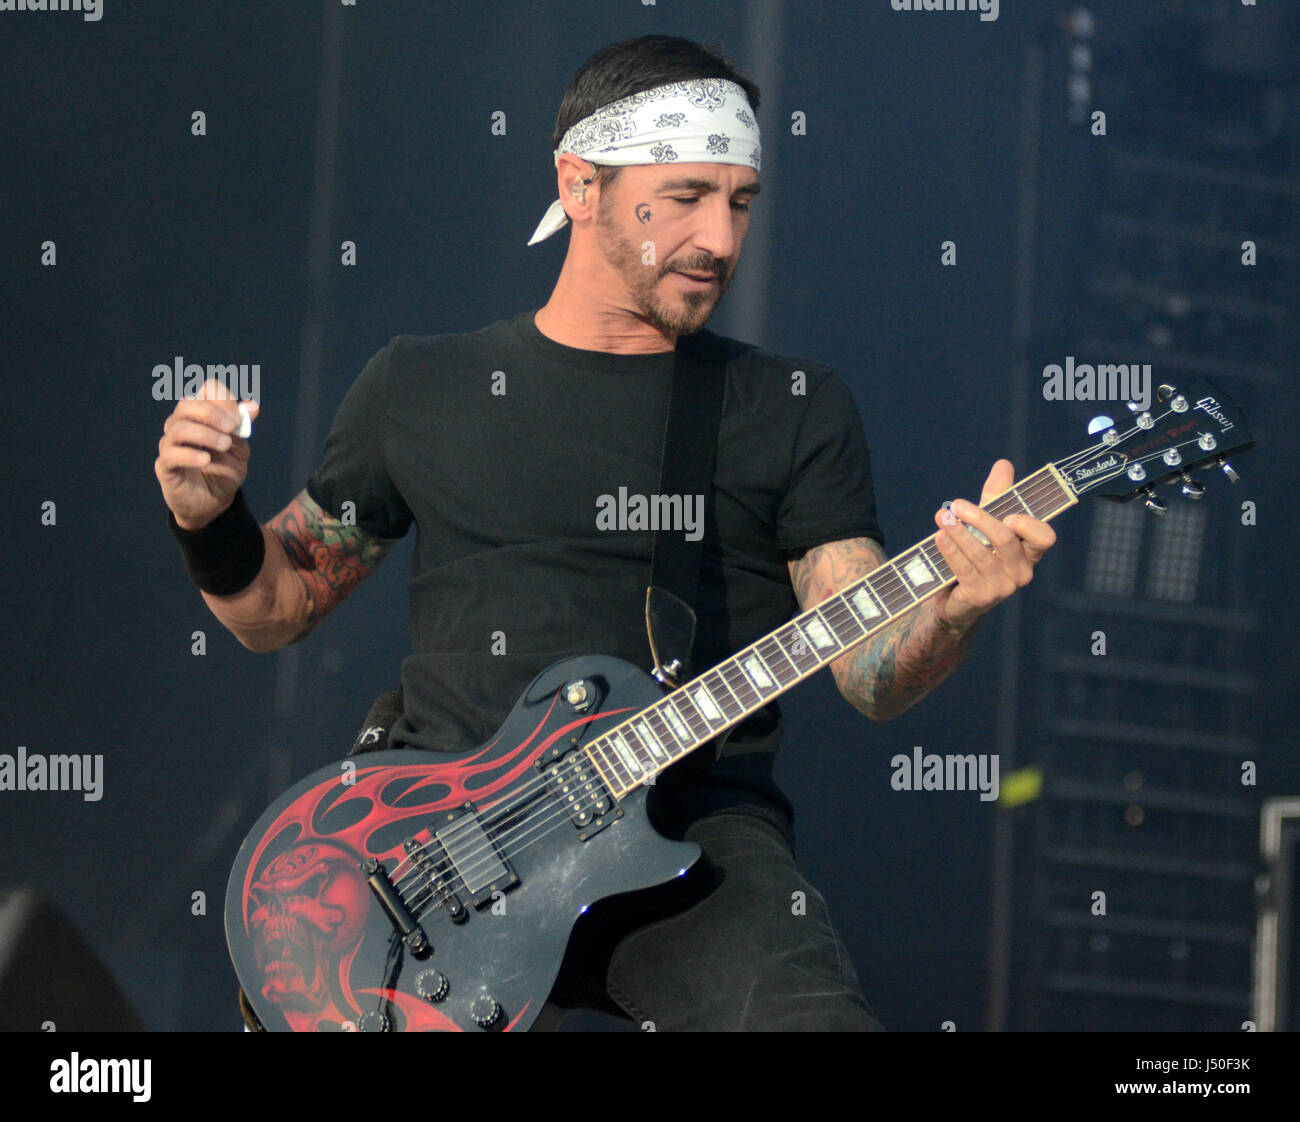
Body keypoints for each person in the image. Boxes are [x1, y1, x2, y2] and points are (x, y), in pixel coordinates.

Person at [155, 34, 1056, 1031]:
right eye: (683, 197)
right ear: (579, 185)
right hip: (434, 852)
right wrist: (211, 521)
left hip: (694, 835)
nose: (719, 235)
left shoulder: (792, 406)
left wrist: (955, 610)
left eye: (740, 200)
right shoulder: (421, 386)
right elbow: (275, 609)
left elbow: (871, 671)